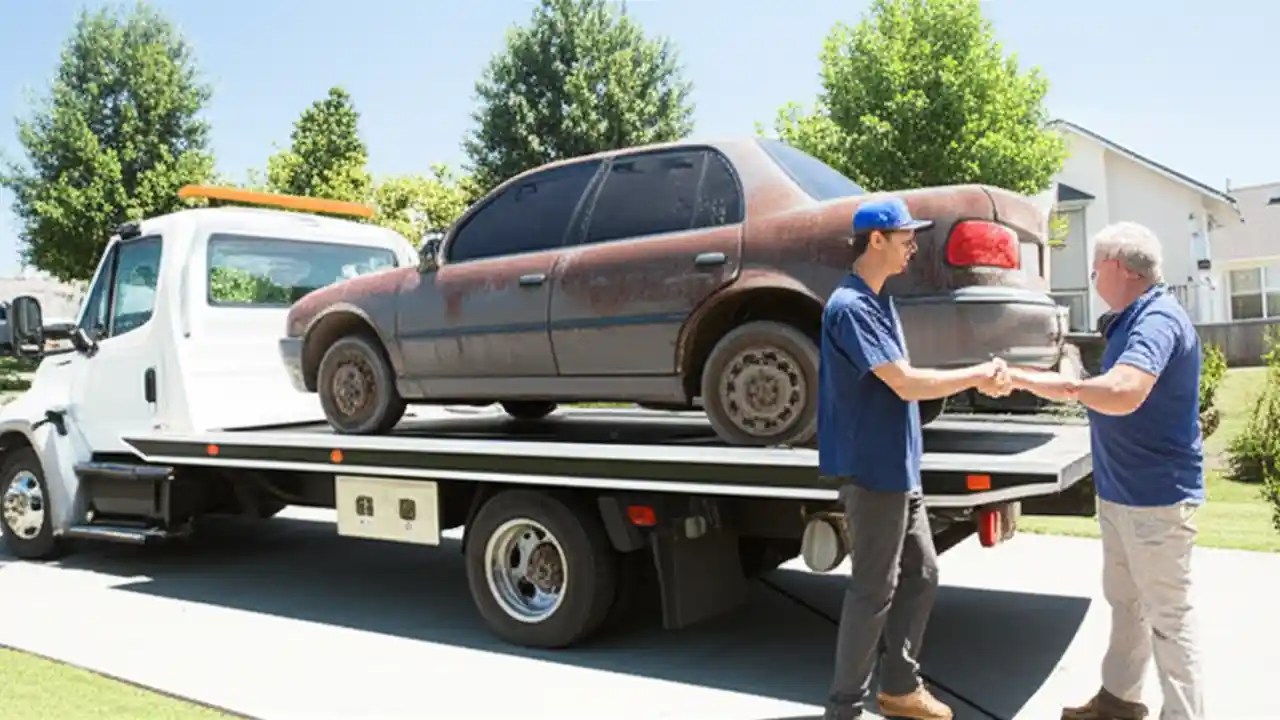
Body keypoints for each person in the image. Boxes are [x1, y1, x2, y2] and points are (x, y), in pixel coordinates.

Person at [819, 196, 1012, 720]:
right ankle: (844, 709)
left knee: (922, 573)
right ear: (875, 240)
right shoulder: (850, 307)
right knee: (872, 592)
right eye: (905, 237)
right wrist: (975, 375)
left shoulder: (880, 301)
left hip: (899, 468)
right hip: (873, 471)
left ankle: (900, 687)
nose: (913, 246)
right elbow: (903, 382)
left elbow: (903, 376)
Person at [1009, 221, 1205, 720]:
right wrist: (1071, 370)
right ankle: (1119, 702)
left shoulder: (1158, 320)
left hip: (1157, 501)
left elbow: (1123, 391)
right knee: (1126, 605)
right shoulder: (1129, 319)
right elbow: (1104, 385)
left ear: (1119, 267)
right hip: (1123, 494)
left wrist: (1057, 386)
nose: (1093, 276)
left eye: (1096, 268)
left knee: (1168, 620)